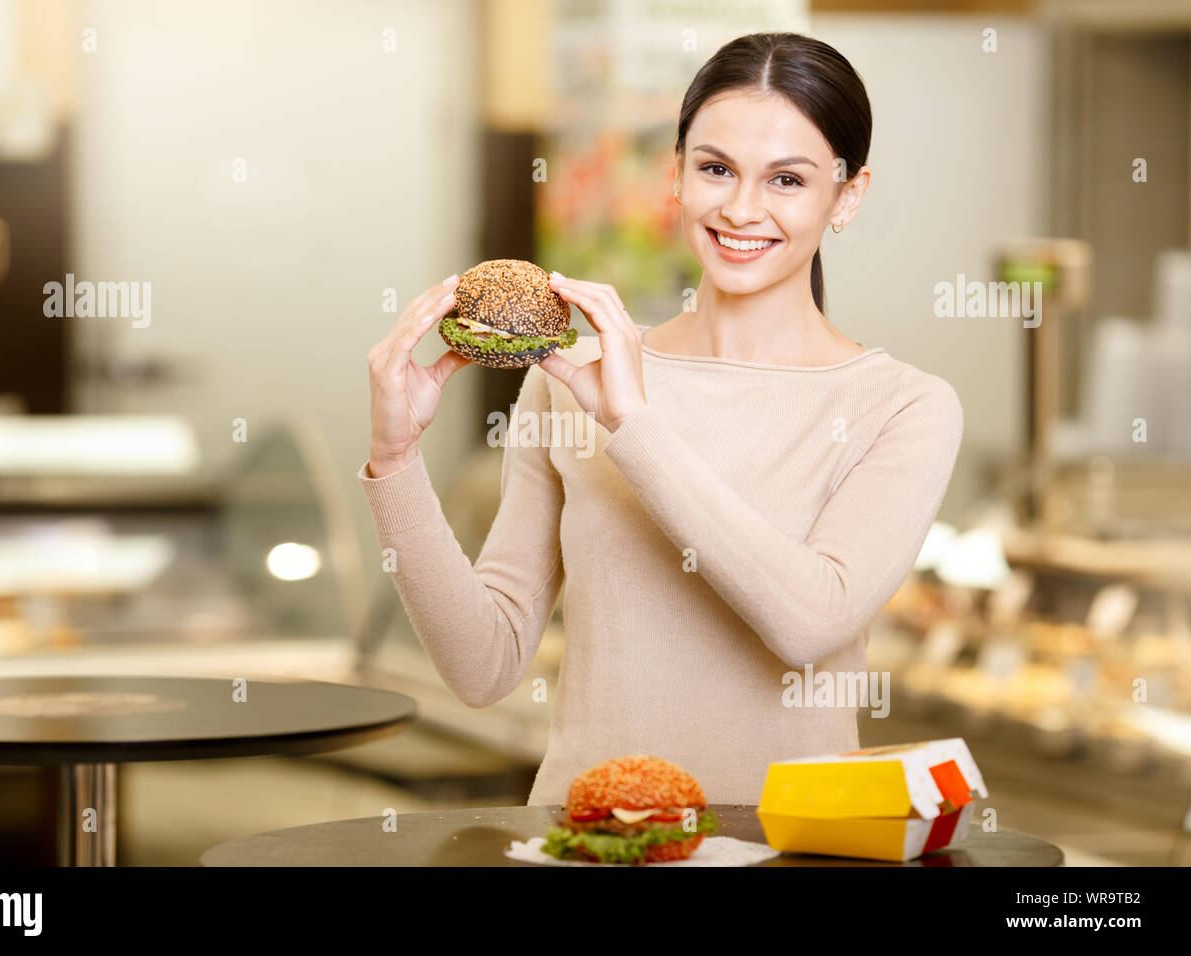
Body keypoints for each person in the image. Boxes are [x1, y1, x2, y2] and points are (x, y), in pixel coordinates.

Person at [359, 32, 963, 807]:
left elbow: (810, 621)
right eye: (716, 169)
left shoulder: (903, 406)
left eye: (787, 179)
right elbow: (484, 665)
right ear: (676, 174)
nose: (742, 208)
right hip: (588, 847)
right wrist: (395, 459)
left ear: (846, 196)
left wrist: (635, 426)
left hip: (790, 853)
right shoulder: (567, 382)